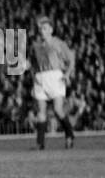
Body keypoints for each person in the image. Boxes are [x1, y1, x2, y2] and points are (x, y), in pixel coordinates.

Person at [27, 15, 76, 149]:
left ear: (51, 30)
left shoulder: (58, 43)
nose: (41, 31)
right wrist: (27, 68)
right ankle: (40, 143)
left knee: (57, 110)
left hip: (55, 76)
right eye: (40, 28)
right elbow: (32, 63)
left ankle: (69, 134)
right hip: (40, 77)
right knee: (41, 112)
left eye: (44, 28)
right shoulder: (36, 45)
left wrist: (67, 74)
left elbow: (71, 60)